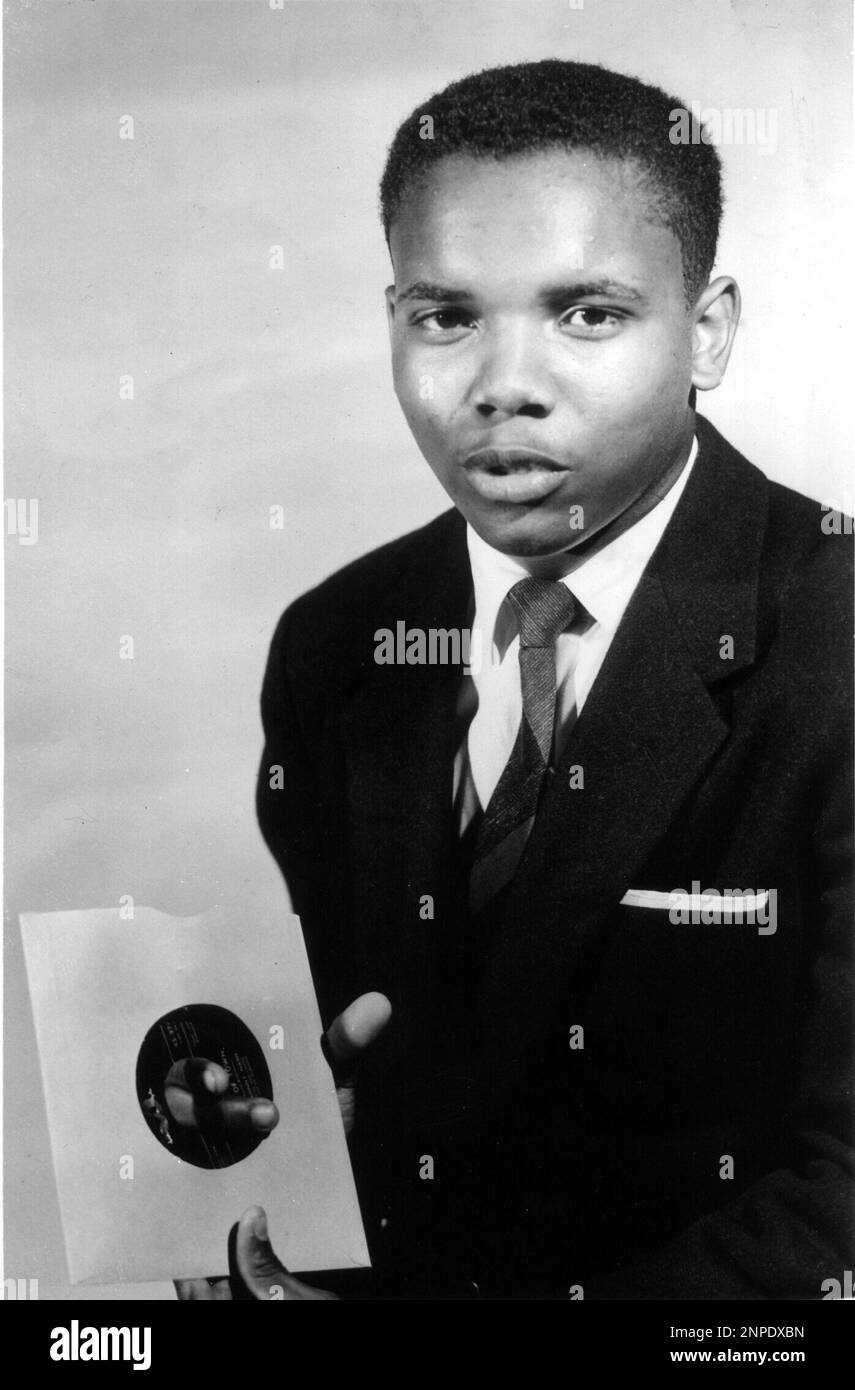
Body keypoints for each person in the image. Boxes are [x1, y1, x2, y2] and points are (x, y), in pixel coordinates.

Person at [174, 59, 853, 1301]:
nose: (503, 385)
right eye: (445, 316)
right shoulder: (338, 643)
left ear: (708, 331)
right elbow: (377, 1096)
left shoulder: (839, 636)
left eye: (587, 312)